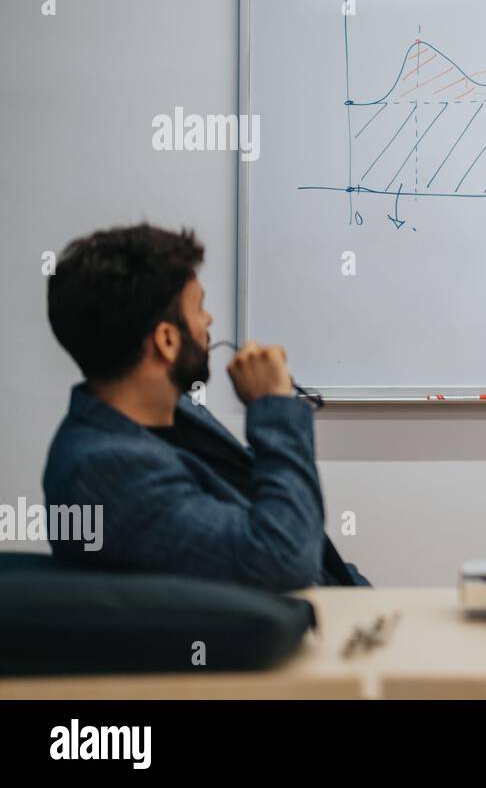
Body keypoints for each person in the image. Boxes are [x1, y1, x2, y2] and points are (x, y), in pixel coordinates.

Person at [43, 223, 368, 590]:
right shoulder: (103, 469)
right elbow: (284, 556)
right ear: (166, 339)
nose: (209, 320)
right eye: (199, 307)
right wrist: (273, 408)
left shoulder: (173, 413)